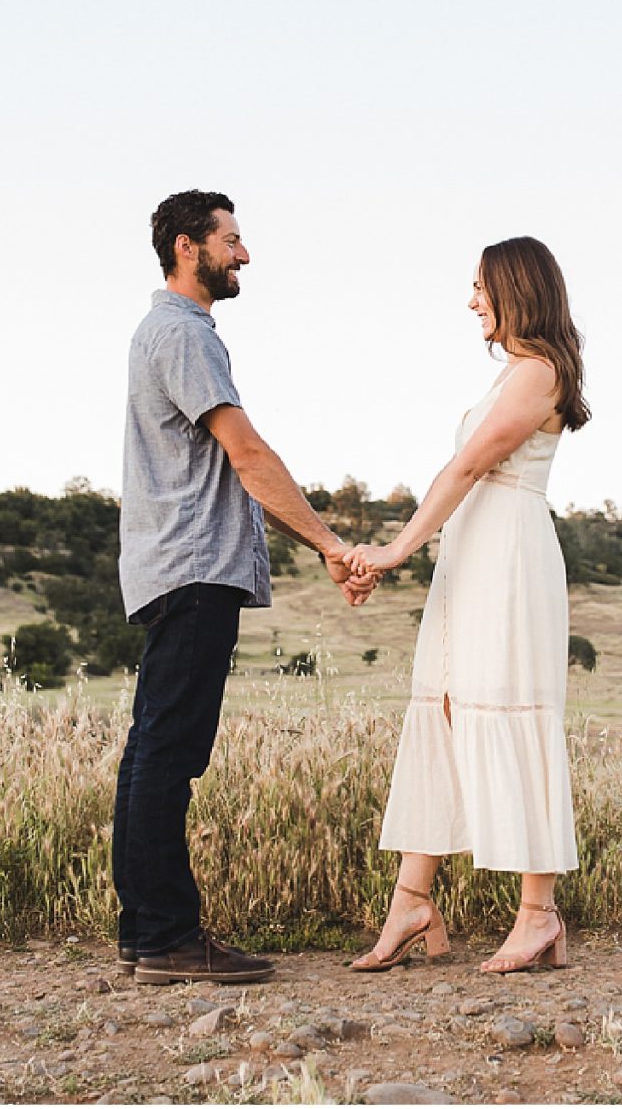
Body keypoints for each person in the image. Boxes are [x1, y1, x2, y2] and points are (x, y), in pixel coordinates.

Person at [115, 189, 377, 986]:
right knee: (168, 754)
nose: (246, 254)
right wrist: (331, 544)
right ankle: (165, 935)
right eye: (232, 239)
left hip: (175, 567)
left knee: (153, 751)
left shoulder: (165, 331)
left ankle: (146, 933)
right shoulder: (183, 335)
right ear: (189, 247)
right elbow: (249, 455)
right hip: (194, 567)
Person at [343, 235, 590, 975]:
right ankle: (412, 900)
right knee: (447, 710)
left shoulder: (538, 372)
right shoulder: (513, 374)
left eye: (481, 285)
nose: (471, 298)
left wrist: (393, 551)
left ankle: (539, 913)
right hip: (472, 555)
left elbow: (468, 465)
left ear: (516, 289)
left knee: (511, 712)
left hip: (509, 555)